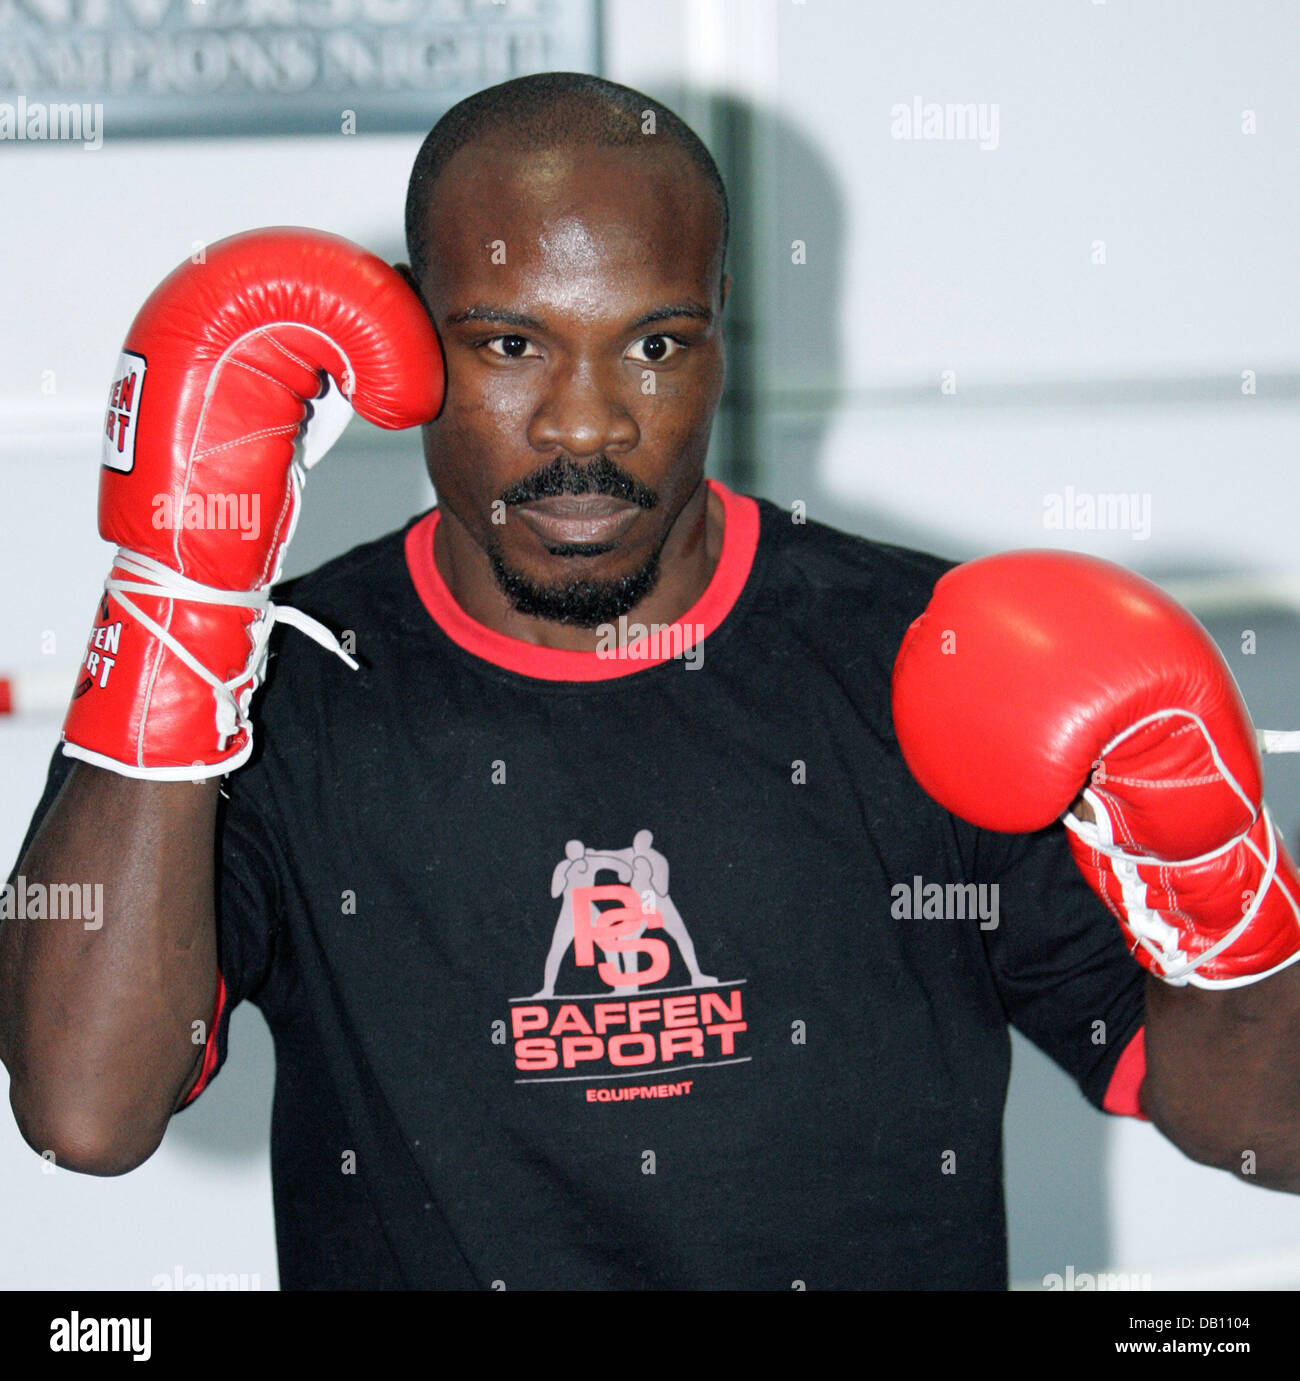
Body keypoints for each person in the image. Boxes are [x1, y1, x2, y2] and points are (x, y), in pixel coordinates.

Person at [2, 72, 1299, 1291]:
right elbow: (83, 1114)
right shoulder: (271, 687)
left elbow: (1266, 1128)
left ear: (723, 324)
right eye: (511, 344)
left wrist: (1226, 879)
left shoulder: (929, 661)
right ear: (406, 333)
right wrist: (172, 603)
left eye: (656, 346)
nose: (587, 425)